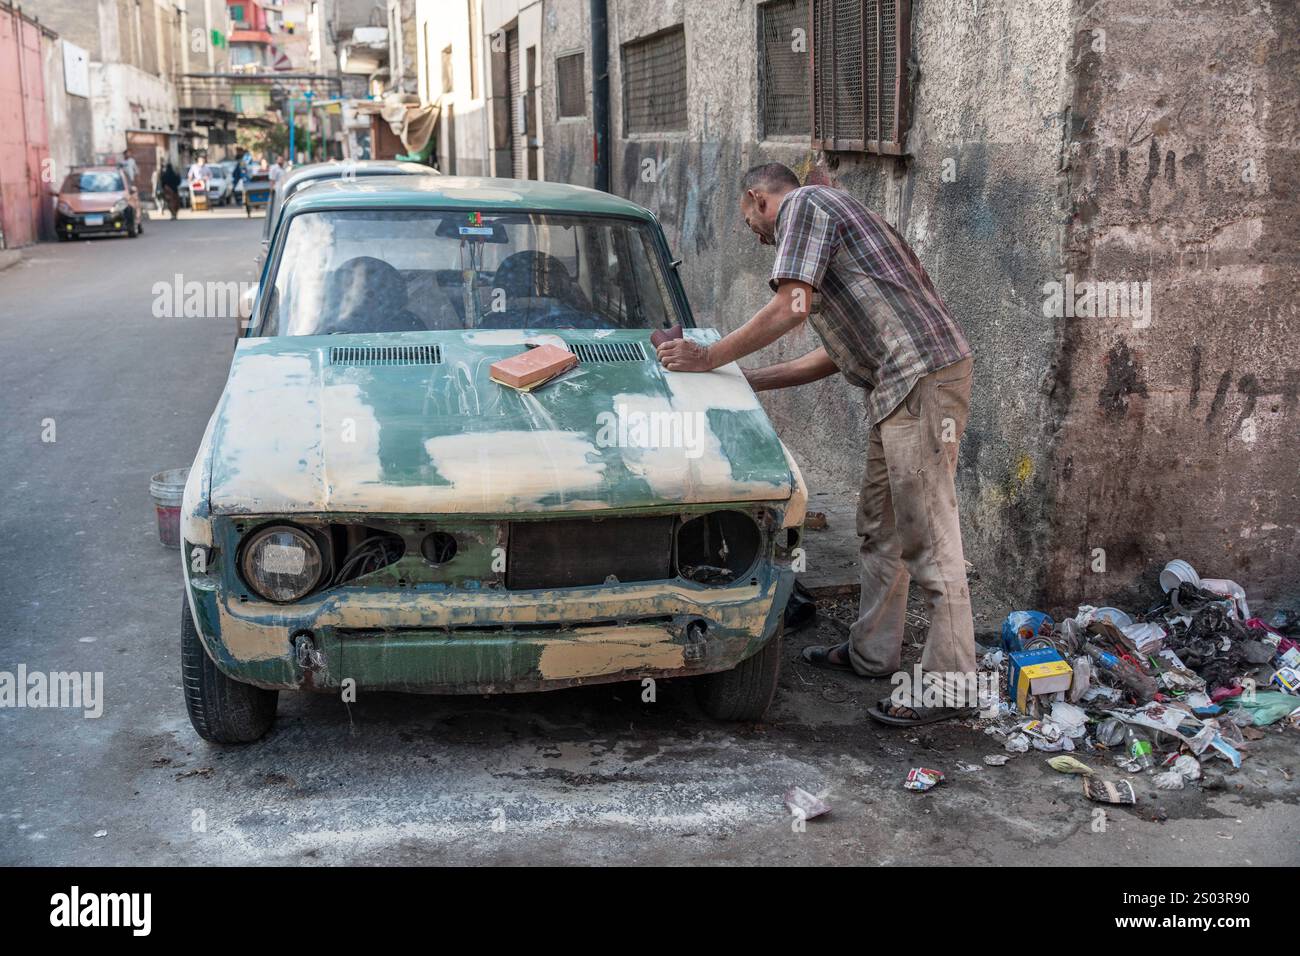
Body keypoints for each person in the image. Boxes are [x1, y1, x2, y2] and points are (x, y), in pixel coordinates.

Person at [656, 163, 976, 727]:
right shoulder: (834, 217)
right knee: (880, 527)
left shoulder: (805, 205)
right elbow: (831, 354)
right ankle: (873, 654)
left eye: (749, 221)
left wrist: (710, 358)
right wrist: (745, 379)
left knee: (929, 538)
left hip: (921, 380)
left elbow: (790, 308)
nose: (757, 238)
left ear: (758, 199)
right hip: (900, 384)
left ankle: (952, 686)